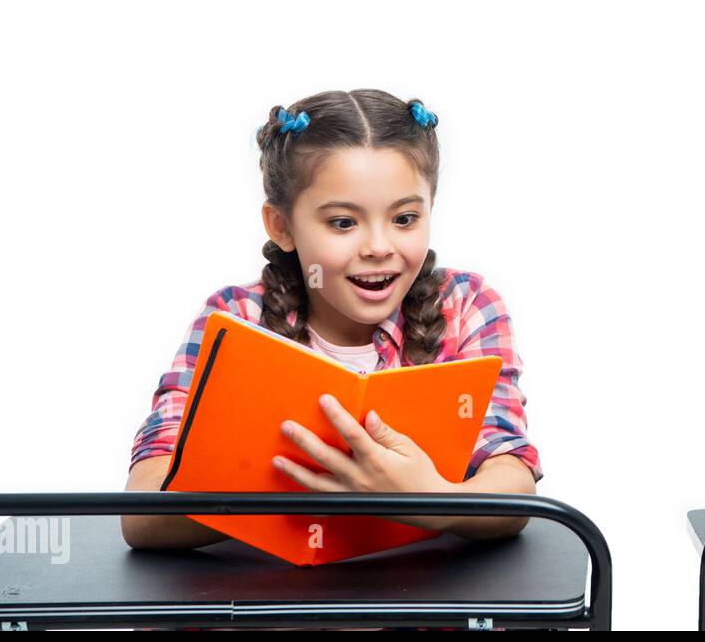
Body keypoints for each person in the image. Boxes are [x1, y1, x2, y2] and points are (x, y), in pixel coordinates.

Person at [122, 89, 541, 553]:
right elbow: (142, 515)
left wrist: (425, 499)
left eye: (404, 218)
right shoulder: (236, 319)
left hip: (420, 604)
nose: (379, 246)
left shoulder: (465, 306)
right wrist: (302, 480)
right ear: (281, 226)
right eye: (343, 223)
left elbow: (513, 486)